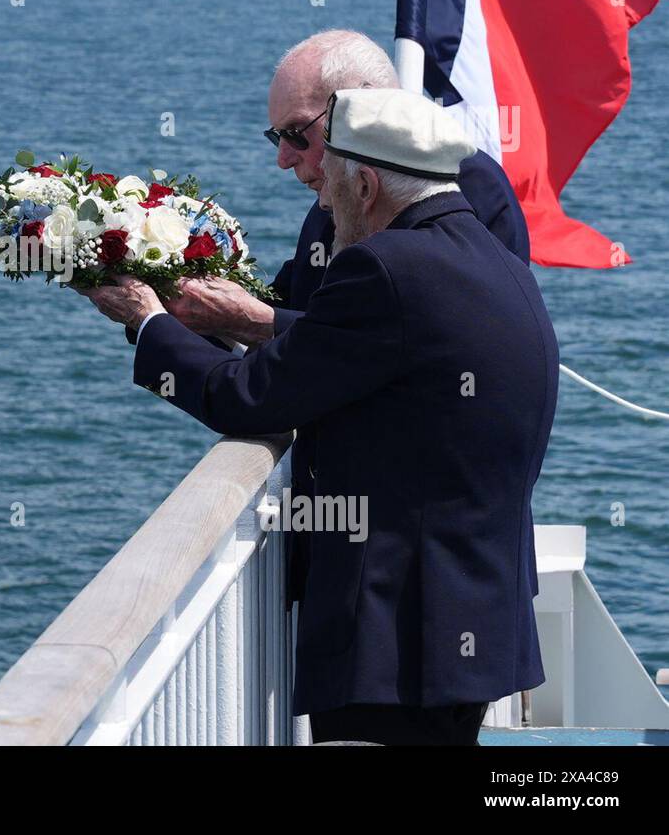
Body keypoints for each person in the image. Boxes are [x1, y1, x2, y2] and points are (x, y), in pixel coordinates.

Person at [77, 88, 558, 745]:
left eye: (330, 187)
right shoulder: (499, 264)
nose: (323, 205)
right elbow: (353, 371)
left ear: (365, 185)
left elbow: (247, 396)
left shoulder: (385, 270)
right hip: (470, 628)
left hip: (396, 644)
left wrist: (147, 319)